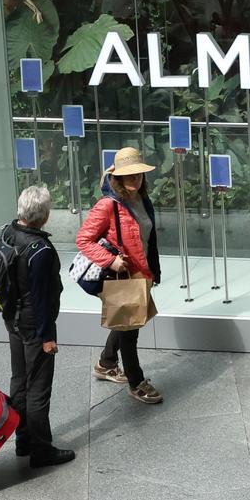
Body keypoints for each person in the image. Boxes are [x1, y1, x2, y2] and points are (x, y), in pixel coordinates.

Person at [77, 147, 163, 404]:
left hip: (141, 271)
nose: (134, 179)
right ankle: (137, 383)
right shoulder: (107, 205)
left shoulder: (142, 199)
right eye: (129, 175)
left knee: (128, 321)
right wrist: (110, 260)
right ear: (118, 178)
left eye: (138, 174)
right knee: (130, 330)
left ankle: (106, 363)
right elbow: (83, 239)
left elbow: (150, 239)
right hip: (123, 275)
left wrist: (154, 271)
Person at [2, 186, 75, 468]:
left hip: (13, 318)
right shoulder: (40, 250)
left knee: (19, 381)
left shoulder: (7, 233)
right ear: (44, 216)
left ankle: (23, 441)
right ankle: (41, 450)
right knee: (38, 389)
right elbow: (44, 299)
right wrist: (48, 337)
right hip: (34, 324)